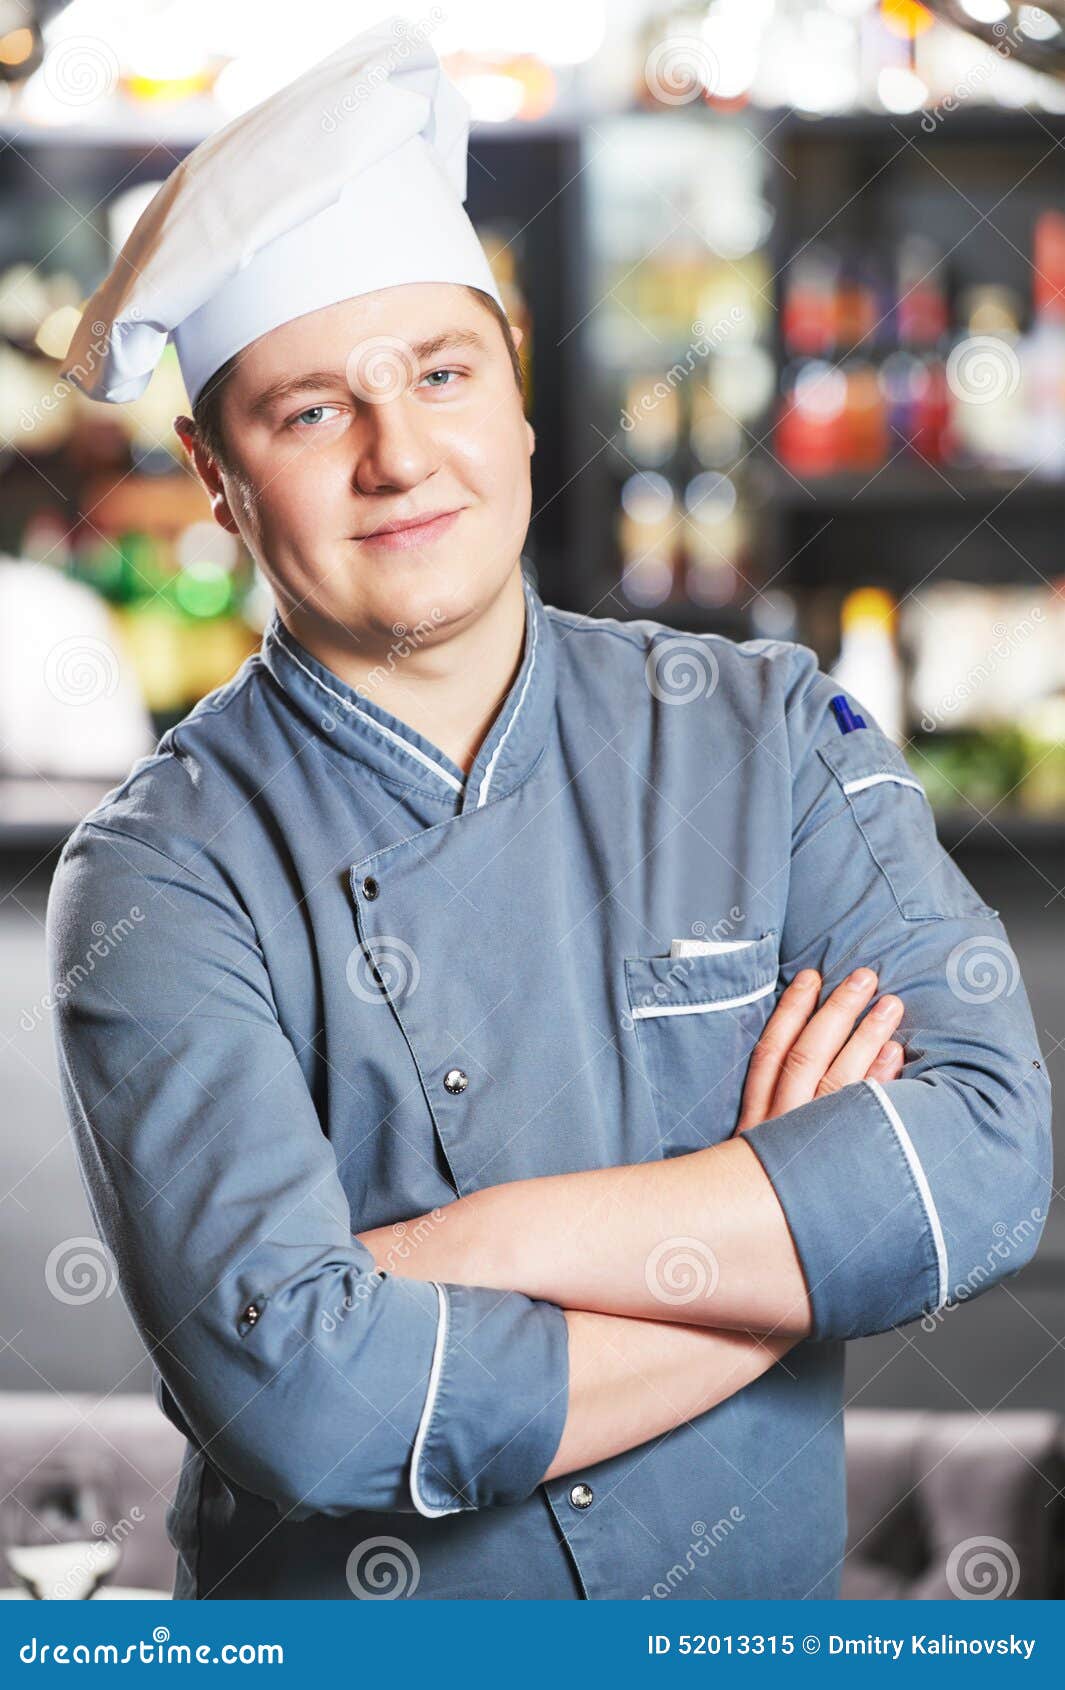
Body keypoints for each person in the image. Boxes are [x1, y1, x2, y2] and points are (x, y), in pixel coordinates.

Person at [47, 18, 1052, 1602]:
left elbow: (984, 1161)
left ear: (515, 395)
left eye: (442, 374)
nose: (400, 458)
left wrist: (469, 1242)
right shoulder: (156, 878)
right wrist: (781, 1227)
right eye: (310, 412)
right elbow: (311, 1401)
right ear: (214, 475)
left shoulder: (771, 733)